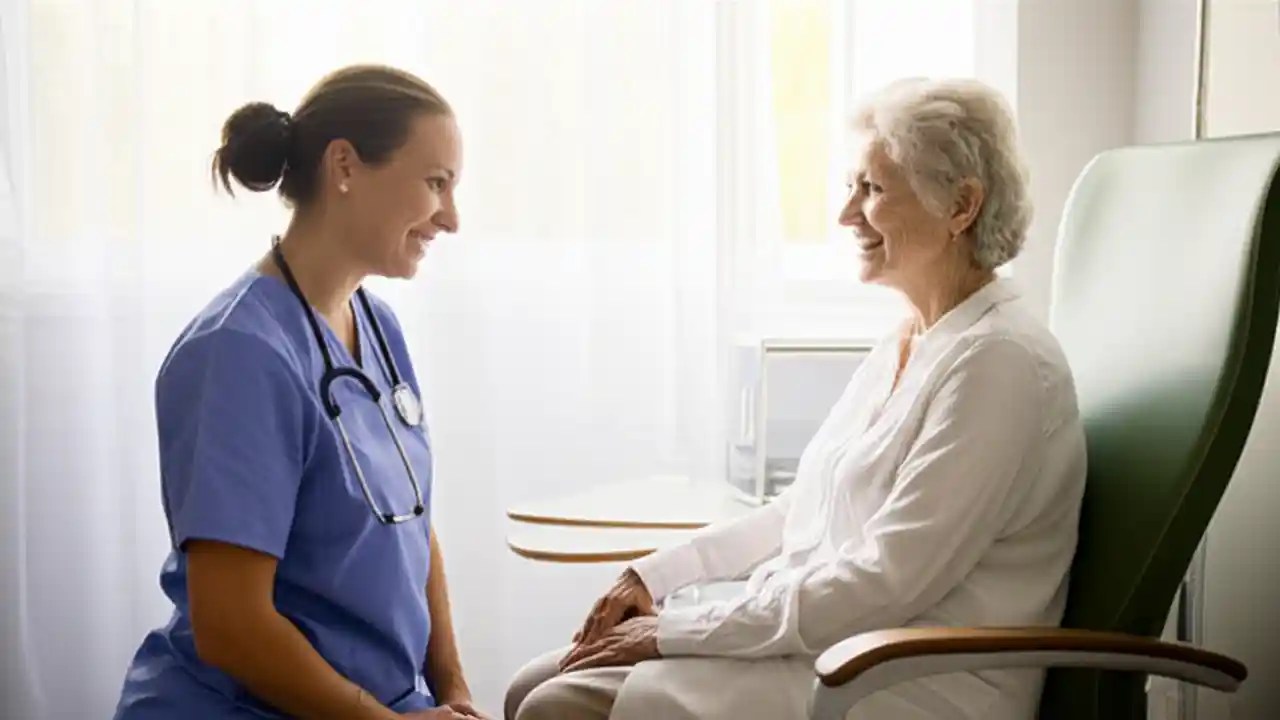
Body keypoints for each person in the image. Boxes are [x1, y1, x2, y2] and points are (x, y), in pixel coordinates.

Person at [506, 78, 1087, 720]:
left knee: (550, 708)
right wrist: (656, 576)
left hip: (911, 681)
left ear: (961, 206)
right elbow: (797, 512)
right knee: (529, 684)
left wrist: (674, 633)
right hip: (838, 650)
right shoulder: (910, 341)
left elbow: (886, 581)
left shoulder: (998, 364)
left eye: (871, 190)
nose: (845, 215)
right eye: (851, 187)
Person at [113, 65, 488, 720]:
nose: (451, 218)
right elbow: (233, 625)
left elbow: (410, 522)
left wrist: (454, 693)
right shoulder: (238, 353)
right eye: (437, 183)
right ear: (344, 165)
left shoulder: (377, 325)